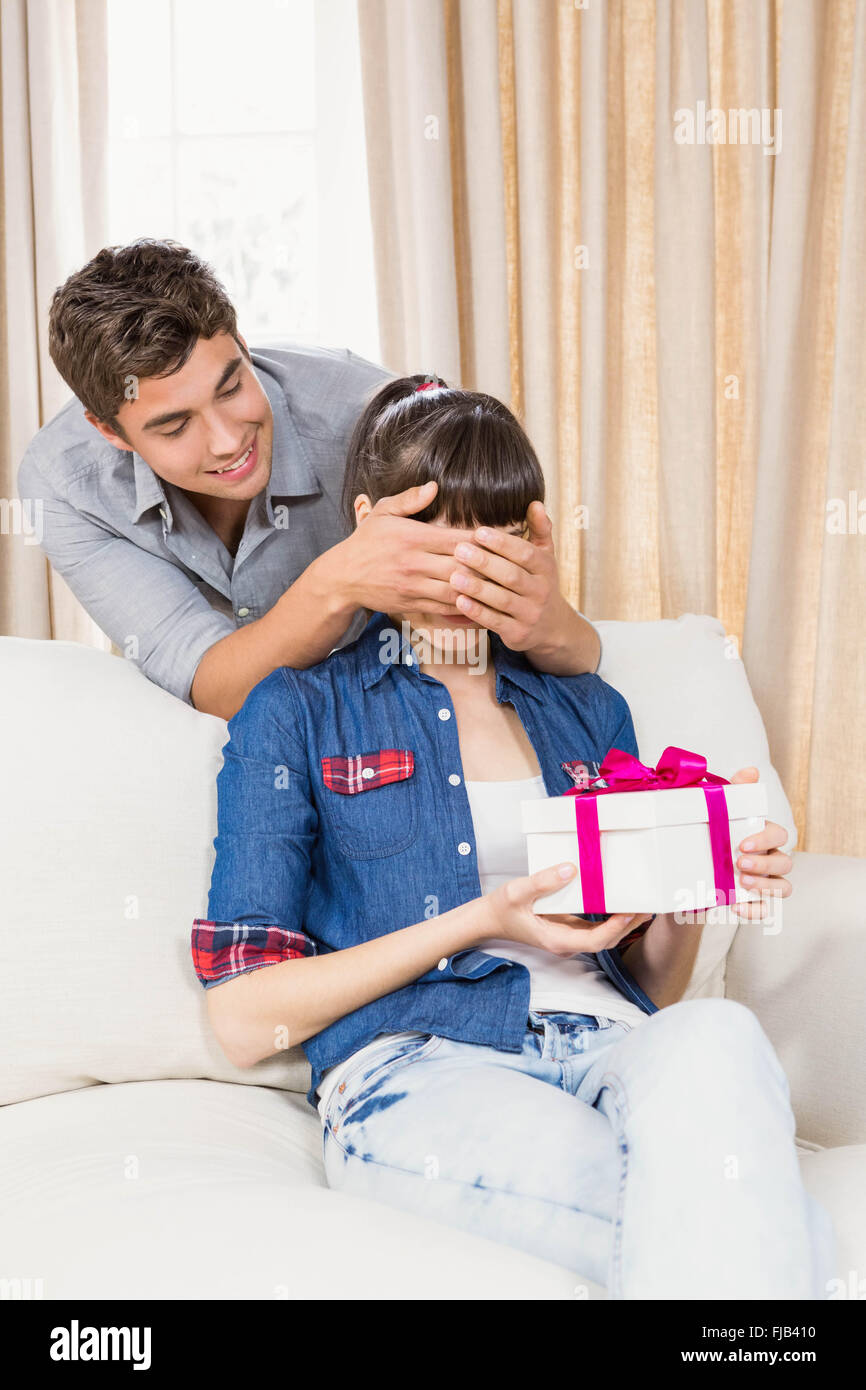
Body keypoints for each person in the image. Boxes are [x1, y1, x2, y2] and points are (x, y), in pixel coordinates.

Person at [190, 374, 836, 1299]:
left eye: (495, 540)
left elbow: (651, 982)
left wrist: (697, 877)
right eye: (437, 540)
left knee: (720, 1035)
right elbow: (245, 1019)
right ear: (368, 524)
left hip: (616, 1041)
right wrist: (485, 918)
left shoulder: (585, 708)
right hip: (421, 1065)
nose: (468, 576)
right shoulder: (296, 711)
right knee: (720, 1215)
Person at [16, 239, 602, 721]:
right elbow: (211, 685)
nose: (227, 441)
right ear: (109, 431)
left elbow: (535, 635)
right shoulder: (67, 484)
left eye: (231, 388)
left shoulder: (368, 416)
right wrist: (337, 582)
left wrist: (542, 616)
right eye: (175, 426)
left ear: (243, 347)